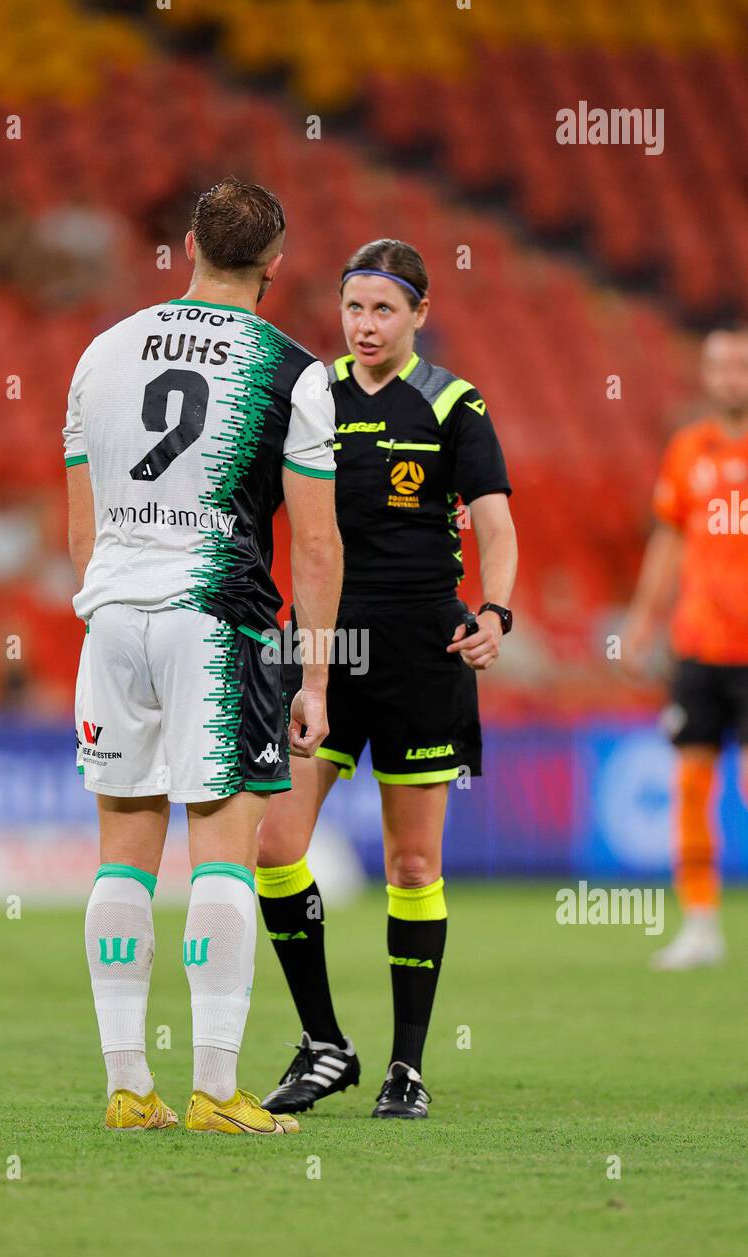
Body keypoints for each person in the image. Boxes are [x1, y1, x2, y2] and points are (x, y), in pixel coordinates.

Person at [64, 178, 343, 1133]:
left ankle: (127, 1086)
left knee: (122, 857)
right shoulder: (294, 369)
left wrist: (107, 617)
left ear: (187, 244)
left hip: (112, 615)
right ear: (276, 262)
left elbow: (82, 524)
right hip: (216, 620)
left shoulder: (101, 353)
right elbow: (313, 544)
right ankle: (219, 1088)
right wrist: (312, 678)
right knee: (223, 854)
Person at [256, 239, 517, 1118]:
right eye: (354, 308)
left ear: (418, 315)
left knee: (412, 862)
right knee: (274, 846)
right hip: (322, 647)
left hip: (419, 652)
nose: (365, 326)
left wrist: (496, 612)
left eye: (384, 311)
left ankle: (408, 1067)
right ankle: (326, 1042)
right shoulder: (311, 396)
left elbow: (494, 522)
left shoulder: (453, 402)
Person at [622, 327, 748, 970]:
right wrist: (644, 622)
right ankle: (701, 922)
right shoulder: (688, 450)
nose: (729, 376)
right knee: (693, 783)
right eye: (719, 365)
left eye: (739, 365)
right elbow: (668, 541)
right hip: (698, 646)